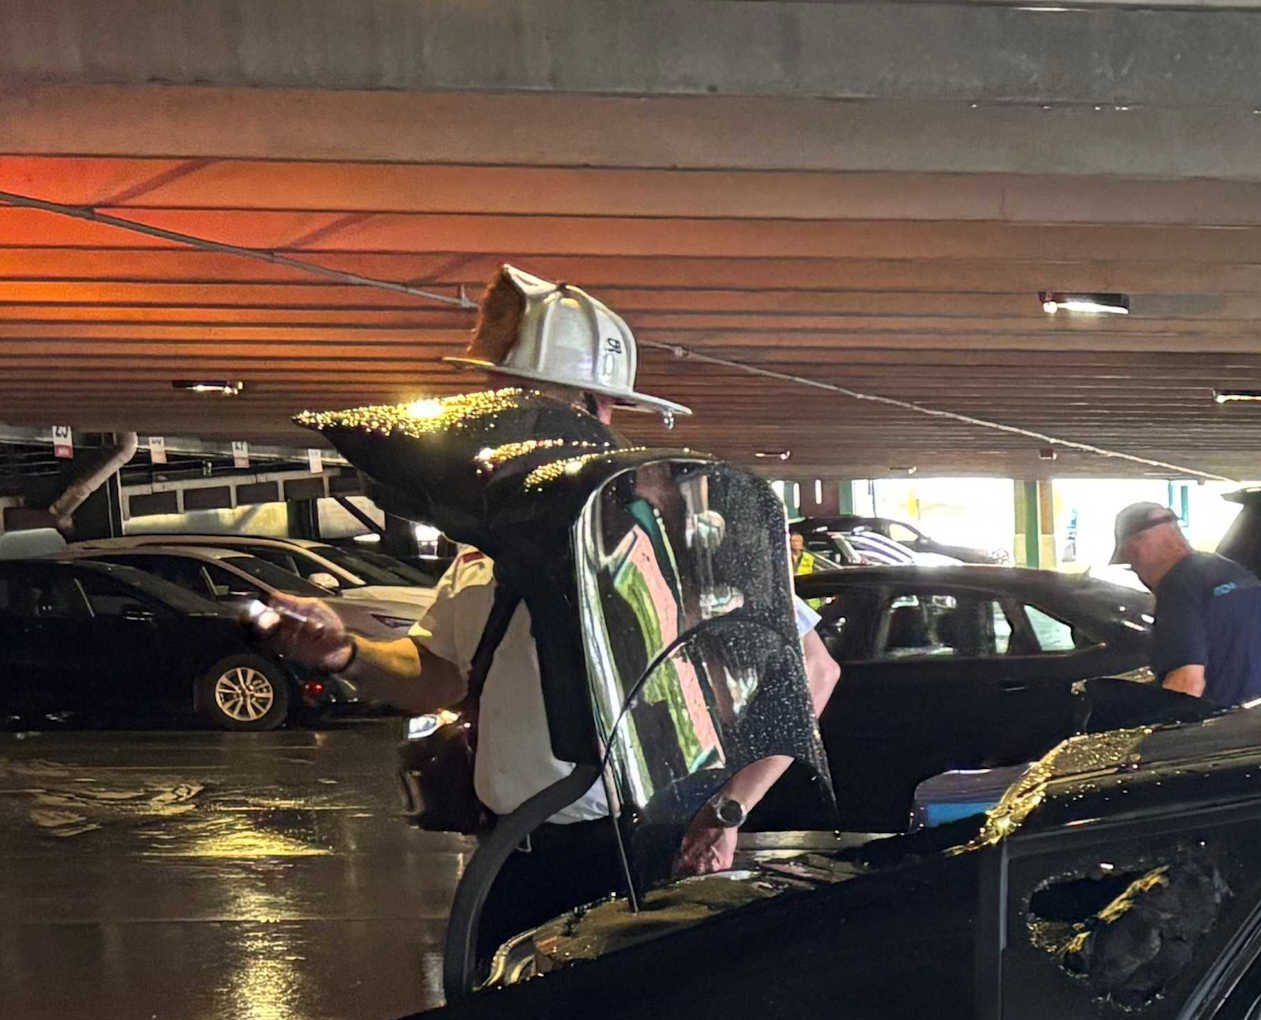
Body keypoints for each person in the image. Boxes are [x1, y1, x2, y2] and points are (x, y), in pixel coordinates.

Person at [257, 267, 839, 945]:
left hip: (632, 856)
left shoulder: (669, 526)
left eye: (523, 396)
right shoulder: (488, 540)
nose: (499, 411)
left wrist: (726, 812)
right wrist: (345, 653)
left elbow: (813, 671)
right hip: (512, 854)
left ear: (596, 406)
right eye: (497, 393)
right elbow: (439, 673)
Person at [1110, 501, 1261, 708]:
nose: (1141, 576)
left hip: (1222, 731)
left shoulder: (1177, 587)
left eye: (1133, 566)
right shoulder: (1235, 572)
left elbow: (1187, 683)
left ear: (1137, 549)